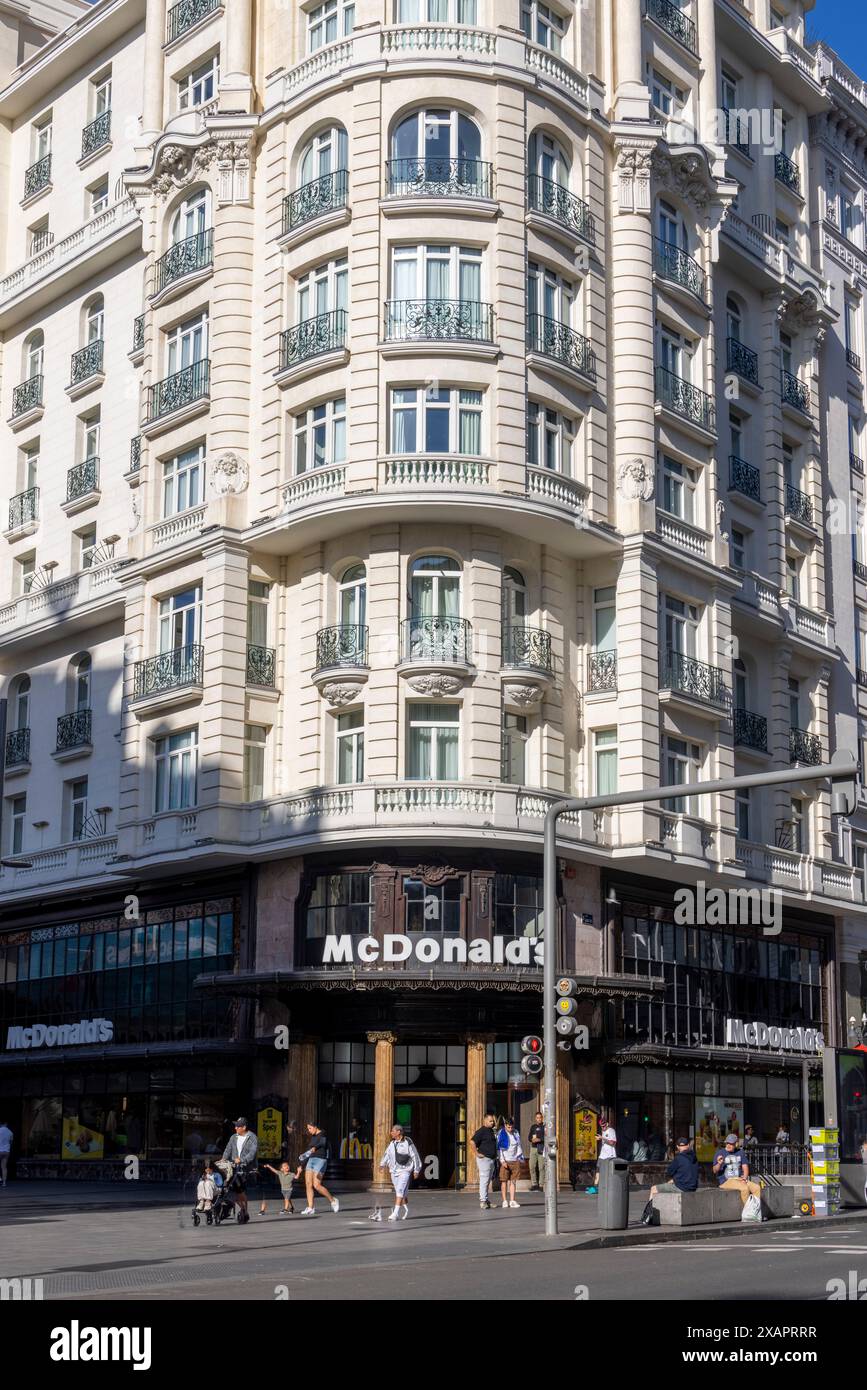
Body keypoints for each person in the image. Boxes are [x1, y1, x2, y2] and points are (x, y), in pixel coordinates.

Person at [295, 1122, 339, 1216]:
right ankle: (310, 1208)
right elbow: (308, 1153)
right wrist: (301, 1165)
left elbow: (323, 1143)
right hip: (311, 1161)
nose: (309, 1130)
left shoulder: (323, 1133)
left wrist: (315, 1147)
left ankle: (333, 1200)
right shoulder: (313, 1137)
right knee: (308, 1184)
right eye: (308, 1128)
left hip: (320, 1161)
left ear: (315, 1127)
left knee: (317, 1185)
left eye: (310, 1128)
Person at [379, 1124, 421, 1221]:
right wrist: (382, 1164)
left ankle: (395, 1213)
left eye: (393, 1131)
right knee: (402, 1193)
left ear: (398, 1132)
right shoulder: (392, 1143)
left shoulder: (408, 1142)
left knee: (400, 1191)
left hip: (405, 1171)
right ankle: (407, 1210)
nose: (391, 1133)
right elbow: (386, 1154)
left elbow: (415, 1156)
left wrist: (416, 1170)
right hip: (394, 1171)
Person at [222, 1117, 258, 1224]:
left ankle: (244, 1211)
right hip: (233, 1167)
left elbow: (252, 1154)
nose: (235, 1128)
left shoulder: (252, 1138)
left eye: (238, 1126)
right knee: (232, 1191)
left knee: (239, 1191)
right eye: (235, 1126)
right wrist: (223, 1159)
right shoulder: (234, 1137)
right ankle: (242, 1211)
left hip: (245, 1169)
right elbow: (228, 1149)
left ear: (244, 1127)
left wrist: (241, 1160)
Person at [712, 1133, 761, 1206]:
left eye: (731, 1144)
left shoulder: (740, 1152)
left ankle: (756, 1212)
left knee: (757, 1188)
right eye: (727, 1143)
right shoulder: (720, 1153)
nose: (728, 1145)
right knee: (744, 1188)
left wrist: (744, 1178)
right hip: (726, 1181)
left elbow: (745, 1167)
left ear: (736, 1144)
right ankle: (748, 1212)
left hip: (739, 1179)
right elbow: (714, 1170)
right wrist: (719, 1163)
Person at [470, 1112, 498, 1210]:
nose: (492, 1123)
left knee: (488, 1180)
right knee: (484, 1180)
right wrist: (476, 1153)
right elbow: (472, 1141)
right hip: (484, 1159)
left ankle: (486, 1200)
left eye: (493, 1121)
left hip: (491, 1159)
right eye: (490, 1121)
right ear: (485, 1120)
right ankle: (482, 1201)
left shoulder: (491, 1131)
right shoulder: (481, 1131)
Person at [496, 1118, 525, 1209]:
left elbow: (519, 1145)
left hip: (514, 1160)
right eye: (508, 1127)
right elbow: (499, 1149)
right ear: (505, 1126)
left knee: (513, 1181)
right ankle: (504, 1200)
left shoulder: (516, 1133)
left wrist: (519, 1157)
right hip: (505, 1161)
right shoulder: (501, 1133)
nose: (510, 1128)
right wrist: (502, 1161)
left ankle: (512, 1200)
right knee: (504, 1181)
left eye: (511, 1127)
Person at [586, 1119, 617, 1195]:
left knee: (609, 1172)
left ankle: (611, 1187)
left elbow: (613, 1143)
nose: (603, 1128)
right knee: (598, 1169)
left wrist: (602, 1138)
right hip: (602, 1155)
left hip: (610, 1155)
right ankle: (595, 1187)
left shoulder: (611, 1131)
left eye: (604, 1126)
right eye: (601, 1126)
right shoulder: (603, 1131)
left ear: (607, 1123)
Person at [528, 1111, 545, 1191]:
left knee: (541, 1167)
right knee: (532, 1166)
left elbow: (547, 1137)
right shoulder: (533, 1127)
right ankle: (534, 1184)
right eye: (537, 1118)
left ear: (542, 1118)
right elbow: (529, 1137)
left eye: (540, 1118)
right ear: (535, 1118)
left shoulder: (545, 1126)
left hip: (541, 1147)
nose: (539, 1119)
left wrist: (540, 1139)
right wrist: (532, 1139)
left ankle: (541, 1185)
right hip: (533, 1148)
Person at [0, 1120, 11, 1187]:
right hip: (7, 1151)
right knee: (4, 1167)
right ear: (6, 1124)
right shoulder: (10, 1132)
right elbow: (10, 1142)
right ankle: (4, 1183)